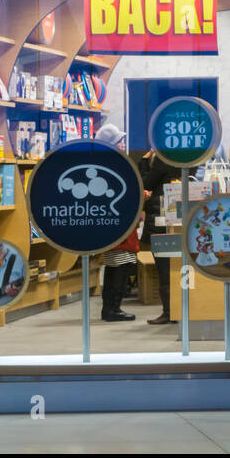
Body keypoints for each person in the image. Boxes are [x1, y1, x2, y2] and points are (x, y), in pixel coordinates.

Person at [95, 123, 138, 322]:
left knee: (117, 265)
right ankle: (113, 309)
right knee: (119, 265)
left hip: (117, 221)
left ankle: (111, 308)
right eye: (119, 141)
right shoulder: (111, 164)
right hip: (117, 221)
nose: (123, 144)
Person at [137, 148, 176, 324]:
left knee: (164, 269)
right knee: (175, 268)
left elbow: (145, 183)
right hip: (174, 220)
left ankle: (169, 312)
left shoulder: (163, 160)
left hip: (160, 220)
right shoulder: (186, 161)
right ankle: (176, 310)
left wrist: (144, 161)